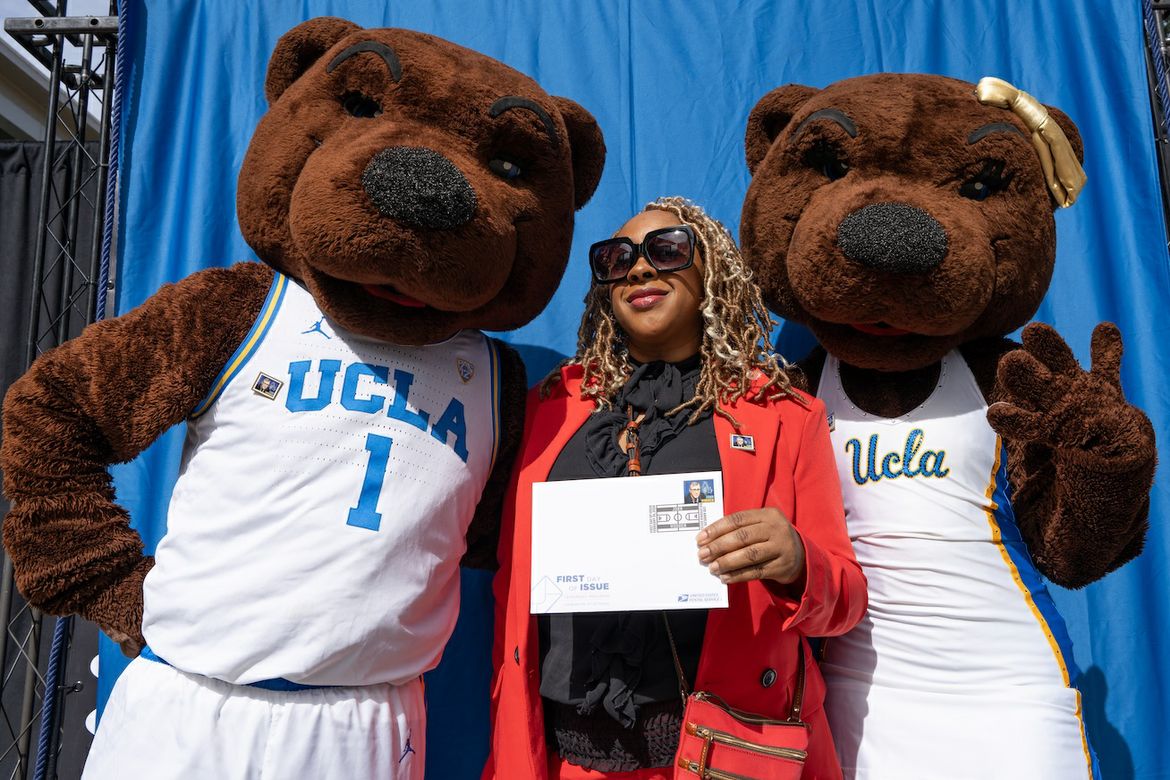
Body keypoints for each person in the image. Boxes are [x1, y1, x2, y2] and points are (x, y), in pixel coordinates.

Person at [485, 197, 867, 779]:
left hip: (718, 753)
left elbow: (844, 600)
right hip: (563, 758)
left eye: (667, 250)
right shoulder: (548, 408)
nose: (639, 269)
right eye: (617, 258)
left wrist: (797, 562)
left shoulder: (785, 416)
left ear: (710, 270)